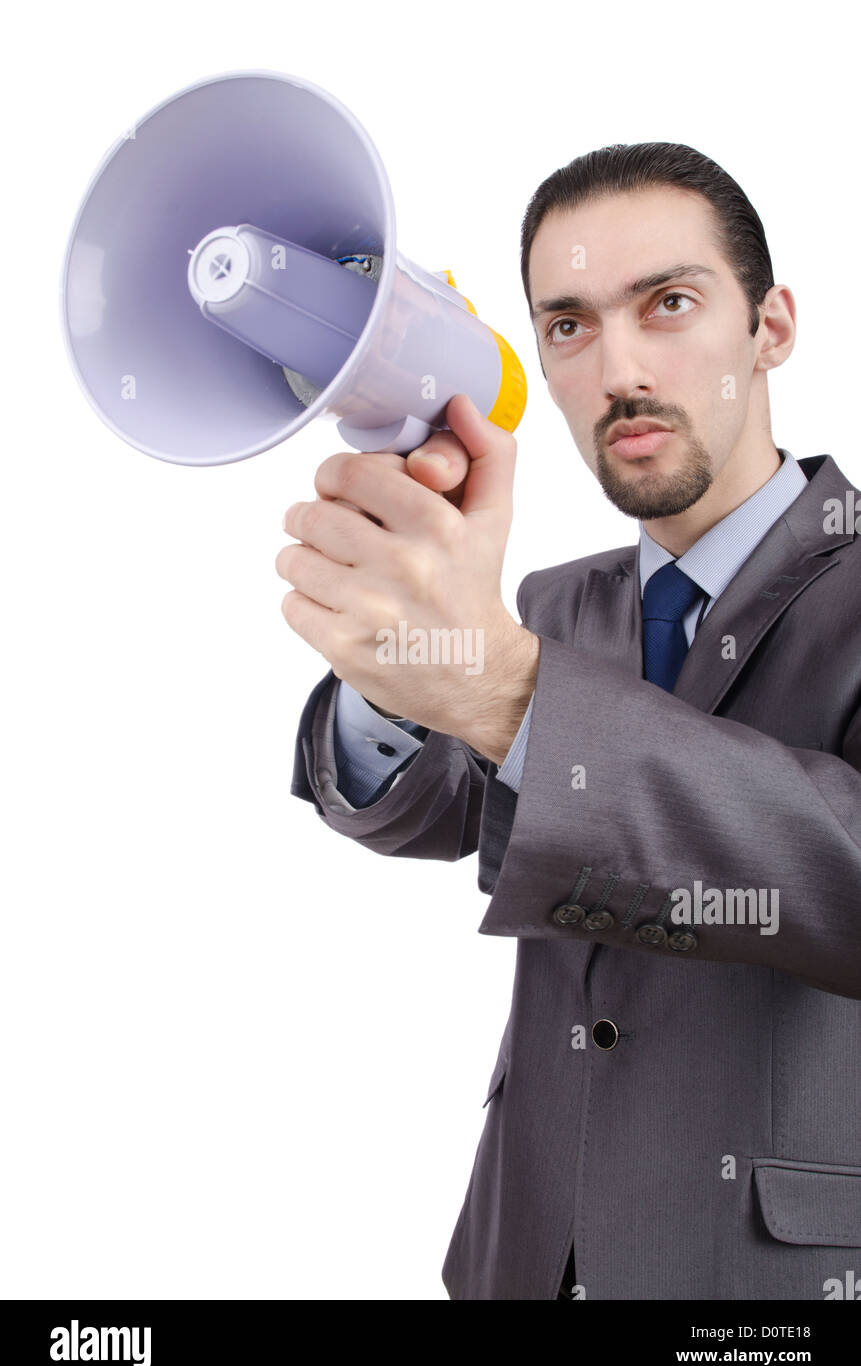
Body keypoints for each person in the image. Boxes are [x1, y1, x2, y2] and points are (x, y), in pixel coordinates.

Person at [280, 142, 861, 1300]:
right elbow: (432, 811)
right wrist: (401, 664)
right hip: (527, 1253)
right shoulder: (554, 605)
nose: (619, 369)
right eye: (569, 326)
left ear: (773, 326)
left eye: (671, 304)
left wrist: (506, 689)